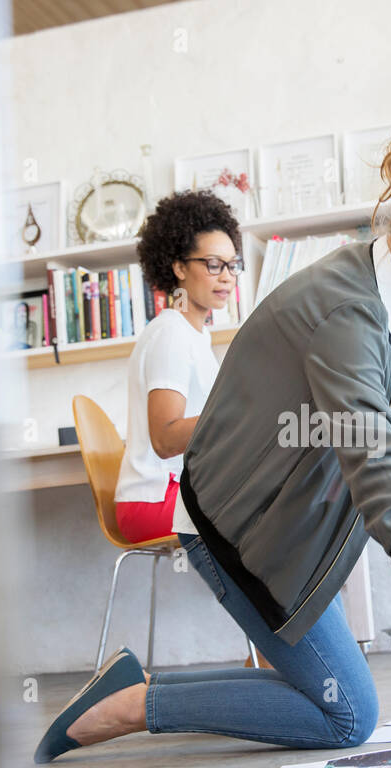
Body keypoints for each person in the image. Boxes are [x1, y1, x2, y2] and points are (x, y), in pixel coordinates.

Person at [35, 113, 391, 763]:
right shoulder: (349, 307)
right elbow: (375, 460)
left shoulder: (379, 292)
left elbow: (357, 431)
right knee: (347, 716)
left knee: (334, 699)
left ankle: (137, 689)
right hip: (237, 531)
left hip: (272, 521)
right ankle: (135, 705)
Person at [113, 190, 241, 544]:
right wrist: (240, 417)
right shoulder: (170, 333)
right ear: (180, 267)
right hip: (153, 500)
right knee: (274, 517)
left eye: (232, 265)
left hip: (177, 492)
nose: (228, 276)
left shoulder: (197, 337)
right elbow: (166, 439)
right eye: (214, 264)